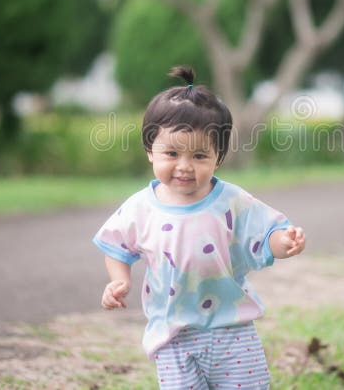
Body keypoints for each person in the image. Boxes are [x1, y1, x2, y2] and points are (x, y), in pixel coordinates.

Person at [92, 65, 306, 389]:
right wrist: (119, 280)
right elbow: (116, 246)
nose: (184, 166)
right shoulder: (141, 208)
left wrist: (283, 242)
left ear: (218, 157)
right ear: (150, 150)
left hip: (232, 328)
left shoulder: (232, 201)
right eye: (172, 153)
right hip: (173, 334)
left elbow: (263, 234)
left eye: (200, 155)